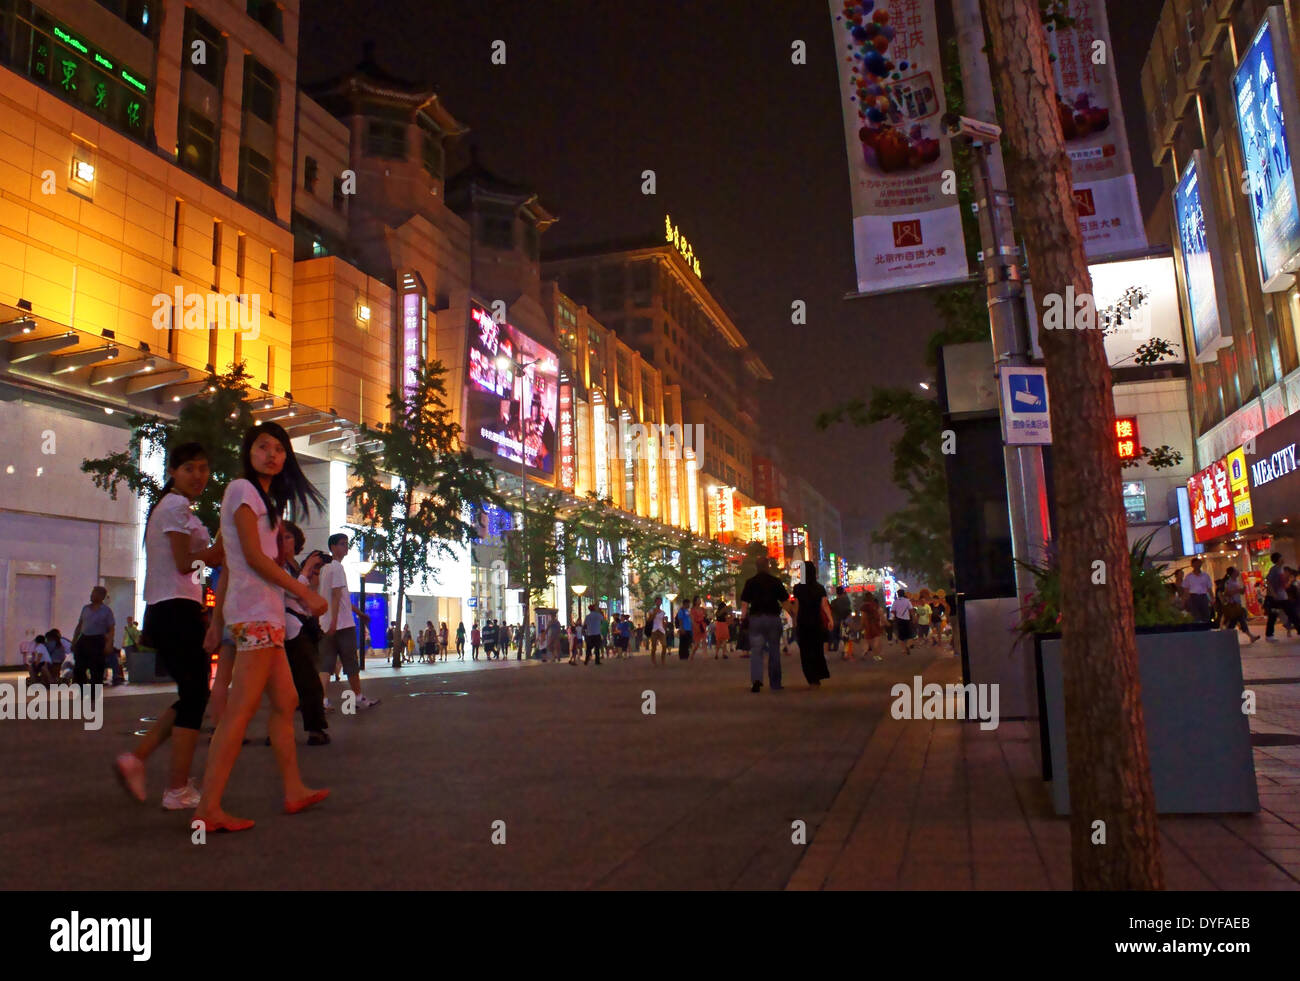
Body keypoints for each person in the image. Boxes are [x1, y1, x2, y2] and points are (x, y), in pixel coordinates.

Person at [193, 421, 331, 833]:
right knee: (240, 713)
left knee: (286, 700)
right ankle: (208, 808)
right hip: (255, 615)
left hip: (263, 615)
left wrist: (220, 619)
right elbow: (253, 559)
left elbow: (232, 559)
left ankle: (293, 789)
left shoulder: (265, 502)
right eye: (263, 446)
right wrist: (305, 594)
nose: (272, 454)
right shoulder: (241, 490)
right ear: (249, 452)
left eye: (279, 449)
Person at [113, 442, 225, 809]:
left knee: (191, 695)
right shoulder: (175, 506)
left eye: (204, 468)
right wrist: (215, 552)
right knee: (196, 697)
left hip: (171, 609)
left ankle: (138, 760)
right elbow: (183, 563)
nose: (199, 476)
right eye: (190, 468)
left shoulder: (176, 507)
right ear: (173, 472)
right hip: (175, 609)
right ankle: (176, 788)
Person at [278, 526, 331, 744]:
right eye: (281, 537)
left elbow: (308, 596)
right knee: (305, 680)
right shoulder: (277, 564)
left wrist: (311, 572)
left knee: (300, 680)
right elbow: (291, 591)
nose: (285, 541)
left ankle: (287, 730)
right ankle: (313, 730)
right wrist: (307, 568)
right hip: (289, 627)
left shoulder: (292, 565)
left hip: (301, 625)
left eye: (289, 537)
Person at [318, 534, 377, 710]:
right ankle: (358, 697)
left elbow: (341, 599)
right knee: (351, 663)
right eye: (342, 544)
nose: (346, 548)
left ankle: (323, 700)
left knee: (326, 665)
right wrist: (335, 622)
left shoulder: (325, 569)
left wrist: (359, 613)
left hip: (326, 624)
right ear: (333, 547)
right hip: (342, 625)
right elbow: (337, 597)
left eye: (346, 544)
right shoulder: (337, 568)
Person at [740, 555, 790, 692]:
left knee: (756, 651)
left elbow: (744, 603)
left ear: (756, 567)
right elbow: (785, 602)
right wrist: (794, 616)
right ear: (768, 566)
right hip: (773, 618)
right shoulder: (775, 581)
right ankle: (775, 683)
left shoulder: (750, 582)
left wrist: (743, 619)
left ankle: (756, 680)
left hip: (756, 619)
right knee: (774, 650)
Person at [72, 585, 115, 712]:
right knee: (79, 667)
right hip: (84, 639)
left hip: (98, 640)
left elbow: (111, 629)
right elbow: (80, 625)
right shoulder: (85, 609)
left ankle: (93, 694)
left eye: (94, 593)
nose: (92, 595)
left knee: (96, 668)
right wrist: (75, 640)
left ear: (101, 596)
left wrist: (108, 644)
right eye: (92, 593)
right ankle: (80, 691)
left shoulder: (106, 611)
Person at [790, 561, 832, 687]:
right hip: (816, 621)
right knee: (817, 648)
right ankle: (818, 675)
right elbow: (824, 605)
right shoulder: (819, 588)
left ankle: (811, 677)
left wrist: (795, 621)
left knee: (805, 650)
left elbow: (796, 606)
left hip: (803, 622)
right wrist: (830, 619)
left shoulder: (797, 588)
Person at [1264, 554, 1300, 640]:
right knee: (1287, 614)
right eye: (1281, 558)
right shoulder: (1274, 569)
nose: (1283, 559)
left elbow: (1281, 584)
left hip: (1281, 597)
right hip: (1276, 598)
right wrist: (1273, 594)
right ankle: (1269, 635)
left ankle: (1269, 635)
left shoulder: (1279, 569)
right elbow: (1268, 581)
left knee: (1289, 613)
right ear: (1278, 559)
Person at [1220, 567, 1259, 644]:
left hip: (1237, 604)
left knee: (1235, 622)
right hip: (1233, 604)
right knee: (1238, 620)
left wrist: (1242, 590)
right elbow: (1227, 593)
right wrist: (1238, 590)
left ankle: (1250, 636)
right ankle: (1250, 636)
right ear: (1232, 573)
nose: (1238, 572)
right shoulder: (1229, 582)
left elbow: (1240, 593)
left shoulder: (1236, 581)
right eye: (1236, 570)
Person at [1183, 557, 1215, 623]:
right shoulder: (1189, 576)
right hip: (1193, 596)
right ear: (1192, 565)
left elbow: (1209, 588)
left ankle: (1206, 626)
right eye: (1196, 563)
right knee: (1195, 614)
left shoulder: (1205, 575)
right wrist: (1185, 599)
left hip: (1203, 596)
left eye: (1199, 563)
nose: (1198, 565)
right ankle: (1197, 627)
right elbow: (1186, 589)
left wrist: (1212, 598)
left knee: (1205, 612)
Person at [891, 589, 916, 655]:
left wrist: (891, 619)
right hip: (907, 620)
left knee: (901, 637)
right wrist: (913, 618)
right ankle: (907, 646)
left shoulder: (895, 602)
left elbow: (892, 611)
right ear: (904, 594)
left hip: (899, 621)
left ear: (898, 594)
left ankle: (904, 649)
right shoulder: (907, 601)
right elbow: (911, 610)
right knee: (910, 636)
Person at [861, 593, 884, 661]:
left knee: (868, 641)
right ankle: (876, 655)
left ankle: (864, 652)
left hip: (867, 625)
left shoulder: (864, 606)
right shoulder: (874, 605)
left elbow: (863, 617)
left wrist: (862, 625)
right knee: (876, 640)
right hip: (875, 624)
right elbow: (879, 614)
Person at [829, 586, 851, 654]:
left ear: (836, 592)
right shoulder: (847, 600)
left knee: (835, 634)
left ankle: (835, 644)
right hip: (846, 620)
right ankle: (846, 651)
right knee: (846, 637)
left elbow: (831, 610)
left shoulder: (833, 602)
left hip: (836, 620)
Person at [647, 598, 668, 665]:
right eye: (657, 601)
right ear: (655, 602)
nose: (659, 602)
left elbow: (662, 622)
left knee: (664, 645)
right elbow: (649, 620)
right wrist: (654, 614)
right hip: (654, 630)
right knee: (654, 646)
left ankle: (663, 659)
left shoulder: (662, 612)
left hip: (661, 630)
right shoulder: (652, 611)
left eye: (660, 601)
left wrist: (665, 623)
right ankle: (653, 659)